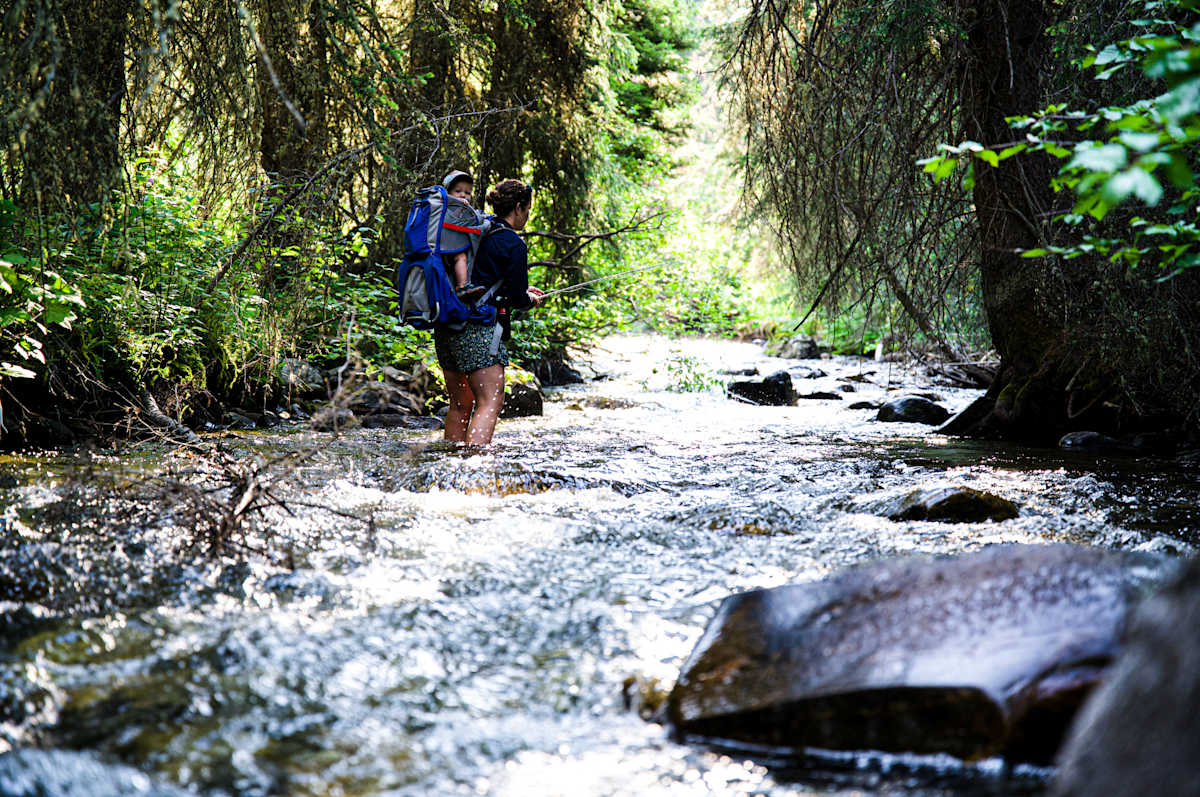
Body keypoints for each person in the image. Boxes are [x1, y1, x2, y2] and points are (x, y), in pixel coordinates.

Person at [435, 179, 545, 444]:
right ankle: (475, 470)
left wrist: (521, 290)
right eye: (527, 210)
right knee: (490, 400)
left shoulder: (475, 230)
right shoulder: (514, 244)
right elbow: (517, 299)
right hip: (477, 330)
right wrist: (530, 300)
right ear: (518, 208)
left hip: (447, 324)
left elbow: (486, 276)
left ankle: (450, 463)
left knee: (460, 403)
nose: (527, 217)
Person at [441, 170, 484, 300]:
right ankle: (462, 286)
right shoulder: (444, 206)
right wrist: (459, 207)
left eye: (467, 193)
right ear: (448, 193)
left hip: (455, 244)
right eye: (458, 191)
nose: (463, 195)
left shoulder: (466, 212)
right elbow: (449, 220)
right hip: (444, 247)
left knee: (463, 256)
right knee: (461, 257)